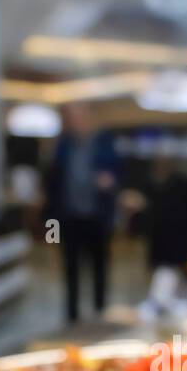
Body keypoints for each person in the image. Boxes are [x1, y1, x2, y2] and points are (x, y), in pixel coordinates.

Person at [43, 103, 120, 323]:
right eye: (72, 117)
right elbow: (52, 182)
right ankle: (72, 317)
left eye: (80, 116)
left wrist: (110, 182)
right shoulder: (62, 147)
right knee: (71, 270)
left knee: (99, 268)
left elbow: (118, 173)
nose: (76, 121)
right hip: (69, 217)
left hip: (97, 217)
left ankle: (100, 312)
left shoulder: (103, 144)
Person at [138, 156, 187, 321]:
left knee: (175, 283)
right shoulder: (153, 188)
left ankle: (175, 310)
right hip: (165, 245)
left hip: (176, 245)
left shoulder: (183, 188)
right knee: (165, 284)